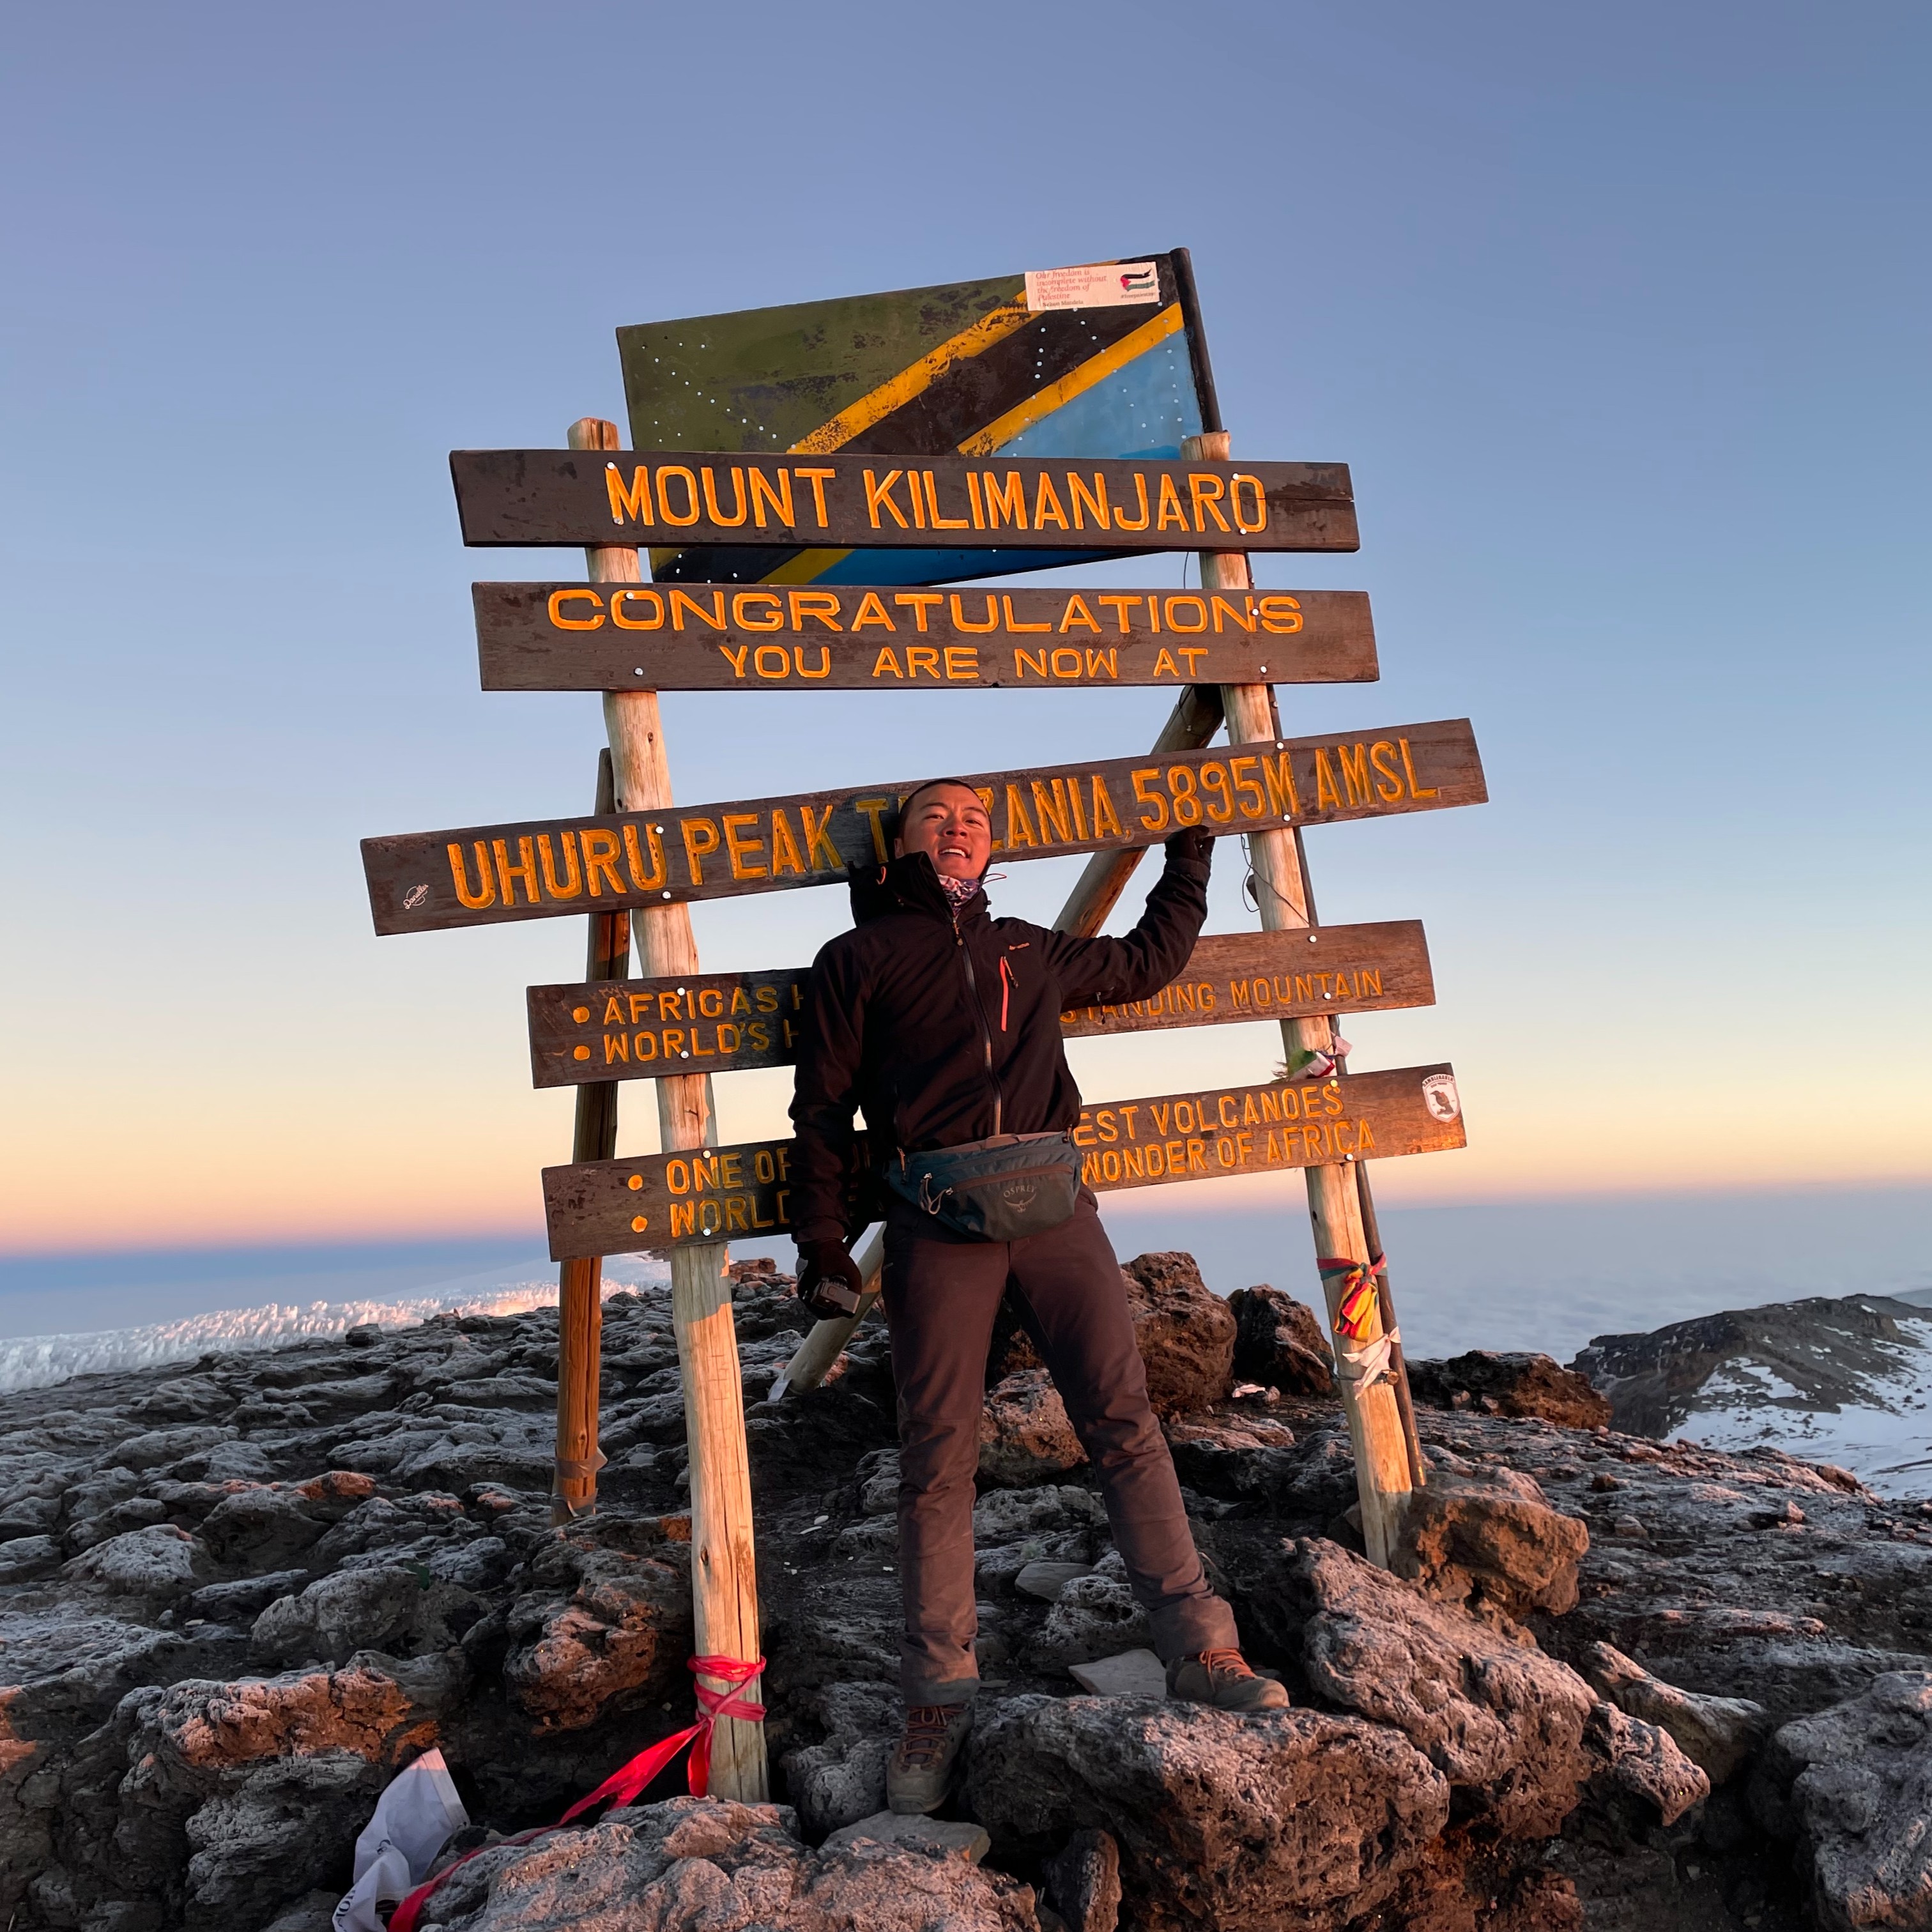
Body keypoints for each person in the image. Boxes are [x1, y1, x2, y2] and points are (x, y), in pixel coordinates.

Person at [788, 776, 1287, 1817]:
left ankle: (1202, 1649)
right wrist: (823, 1242)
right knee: (936, 1459)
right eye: (937, 817)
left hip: (1058, 1210)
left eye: (973, 818)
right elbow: (823, 1108)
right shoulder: (859, 958)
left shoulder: (1029, 945)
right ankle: (937, 1697)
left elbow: (1148, 964)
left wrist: (1188, 857)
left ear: (993, 847)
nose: (957, 827)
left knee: (1126, 1423)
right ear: (902, 846)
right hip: (936, 1222)